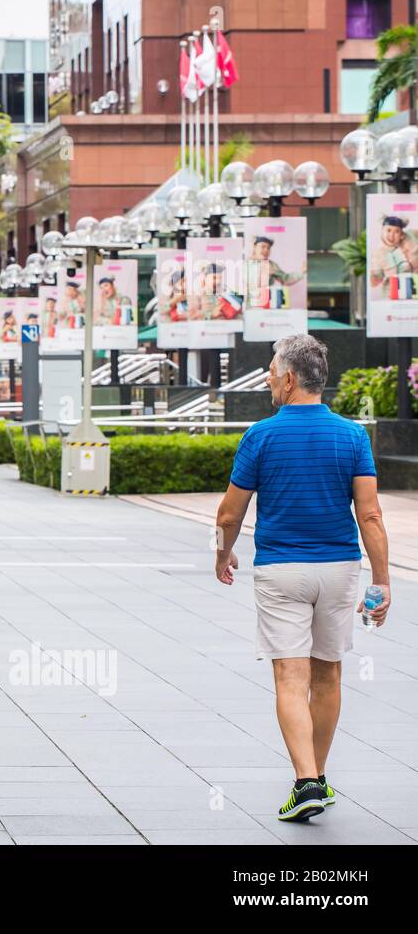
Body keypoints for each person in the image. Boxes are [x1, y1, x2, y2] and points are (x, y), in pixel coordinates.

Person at [213, 334, 391, 823]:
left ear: (290, 379)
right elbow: (370, 515)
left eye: (272, 371)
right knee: (328, 673)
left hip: (281, 572)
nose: (268, 378)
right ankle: (317, 777)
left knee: (290, 678)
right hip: (338, 571)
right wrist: (383, 582)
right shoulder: (353, 436)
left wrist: (223, 554)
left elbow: (230, 513)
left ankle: (306, 781)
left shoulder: (261, 435)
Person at [367, 214, 418, 293]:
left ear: (401, 234)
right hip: (393, 294)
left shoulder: (412, 235)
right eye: (388, 230)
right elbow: (376, 277)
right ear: (382, 231)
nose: (391, 235)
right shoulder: (378, 254)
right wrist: (374, 279)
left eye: (397, 231)